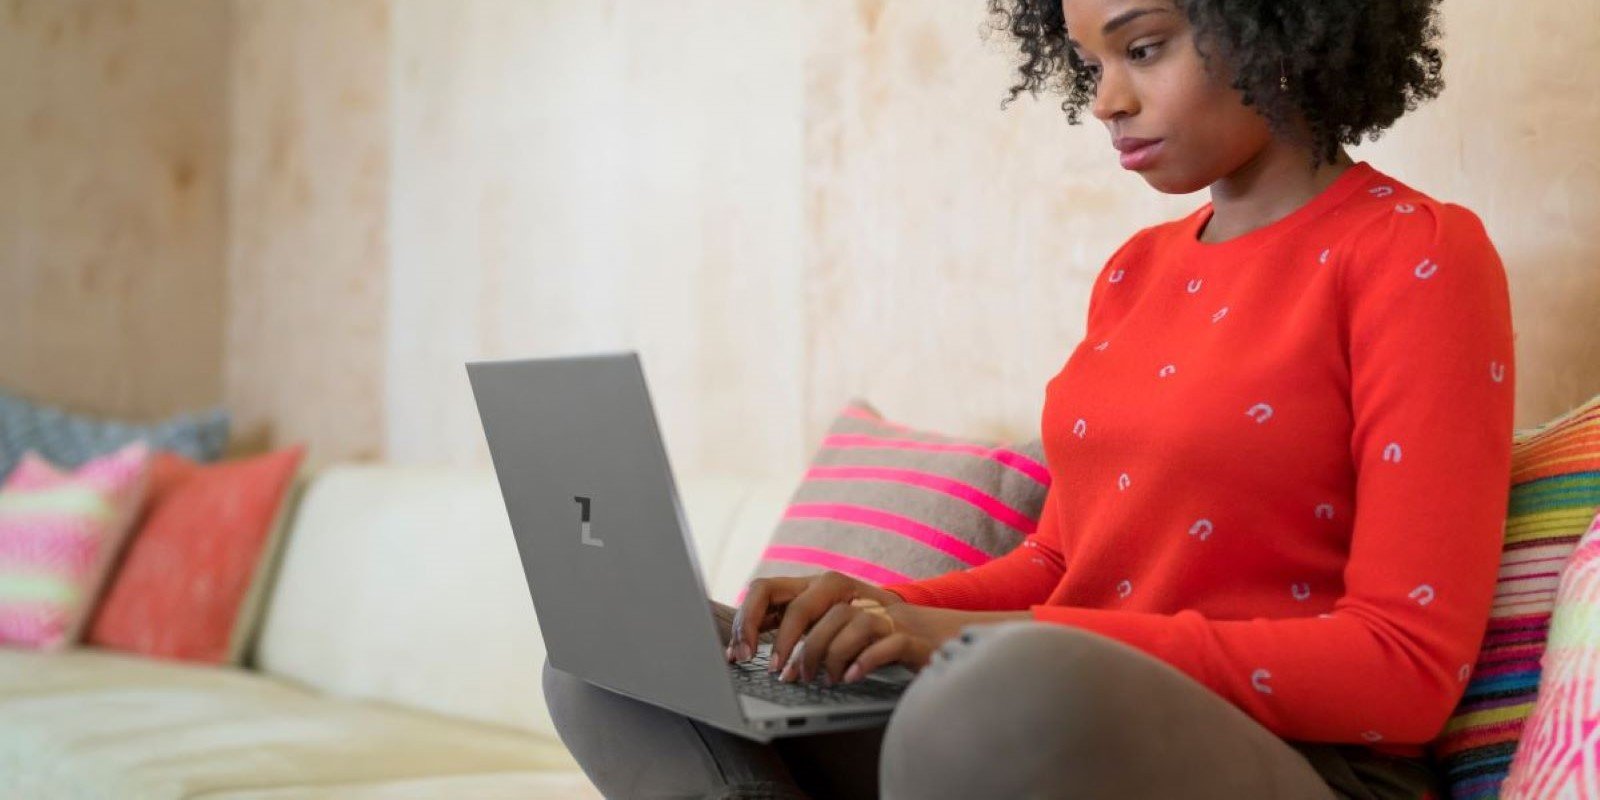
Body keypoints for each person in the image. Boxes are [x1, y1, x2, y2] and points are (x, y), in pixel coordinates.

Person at [542, 0, 1515, 797]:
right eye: (1090, 60)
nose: (1105, 101)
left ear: (1275, 22)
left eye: (1142, 48)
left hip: (1296, 760)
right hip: (1030, 716)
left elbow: (1403, 668)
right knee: (616, 664)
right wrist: (881, 607)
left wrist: (968, 644)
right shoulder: (1134, 272)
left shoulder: (1416, 254)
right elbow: (1057, 558)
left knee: (992, 689)